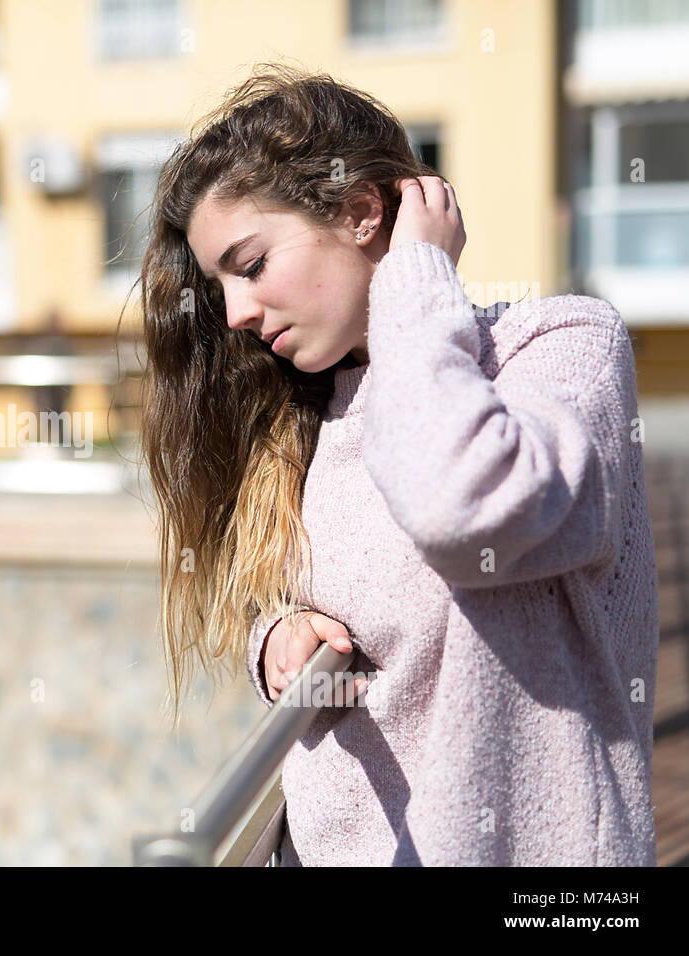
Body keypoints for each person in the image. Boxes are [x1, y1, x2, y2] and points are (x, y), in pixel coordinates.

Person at [134, 62, 659, 865]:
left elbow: (465, 503)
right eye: (221, 286)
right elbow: (309, 605)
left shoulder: (560, 349)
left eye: (251, 265)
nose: (235, 313)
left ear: (361, 212)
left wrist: (418, 275)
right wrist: (277, 644)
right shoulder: (306, 416)